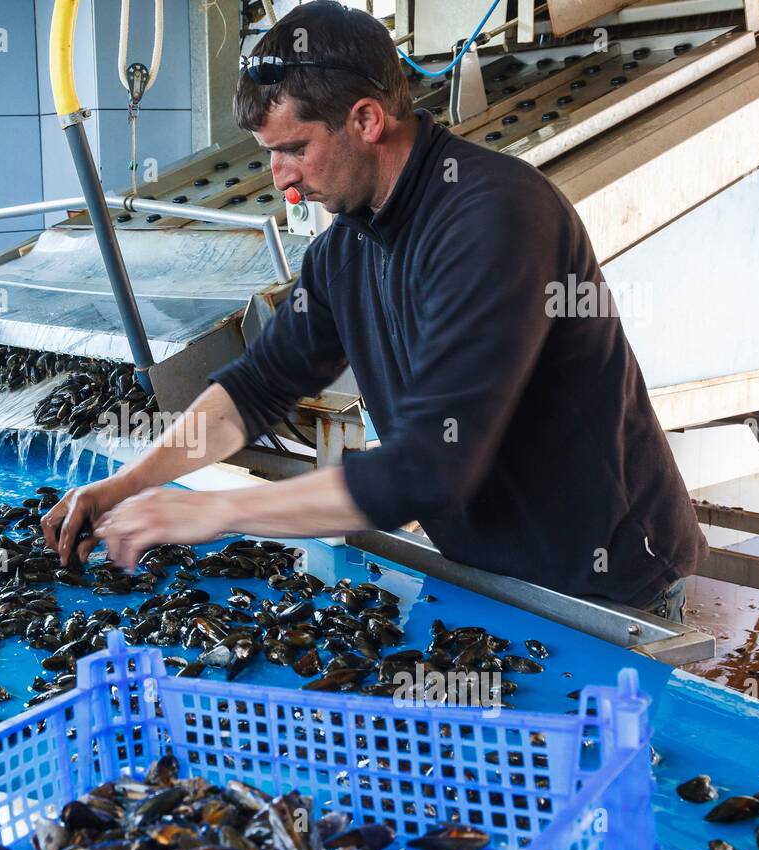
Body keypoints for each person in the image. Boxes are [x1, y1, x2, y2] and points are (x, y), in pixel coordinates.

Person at [43, 2, 704, 629]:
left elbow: (426, 469)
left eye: (295, 148)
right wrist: (126, 485)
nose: (281, 178)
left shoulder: (495, 218)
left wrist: (214, 512)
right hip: (484, 576)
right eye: (268, 154)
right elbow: (254, 390)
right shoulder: (345, 250)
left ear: (365, 119)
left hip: (607, 587)